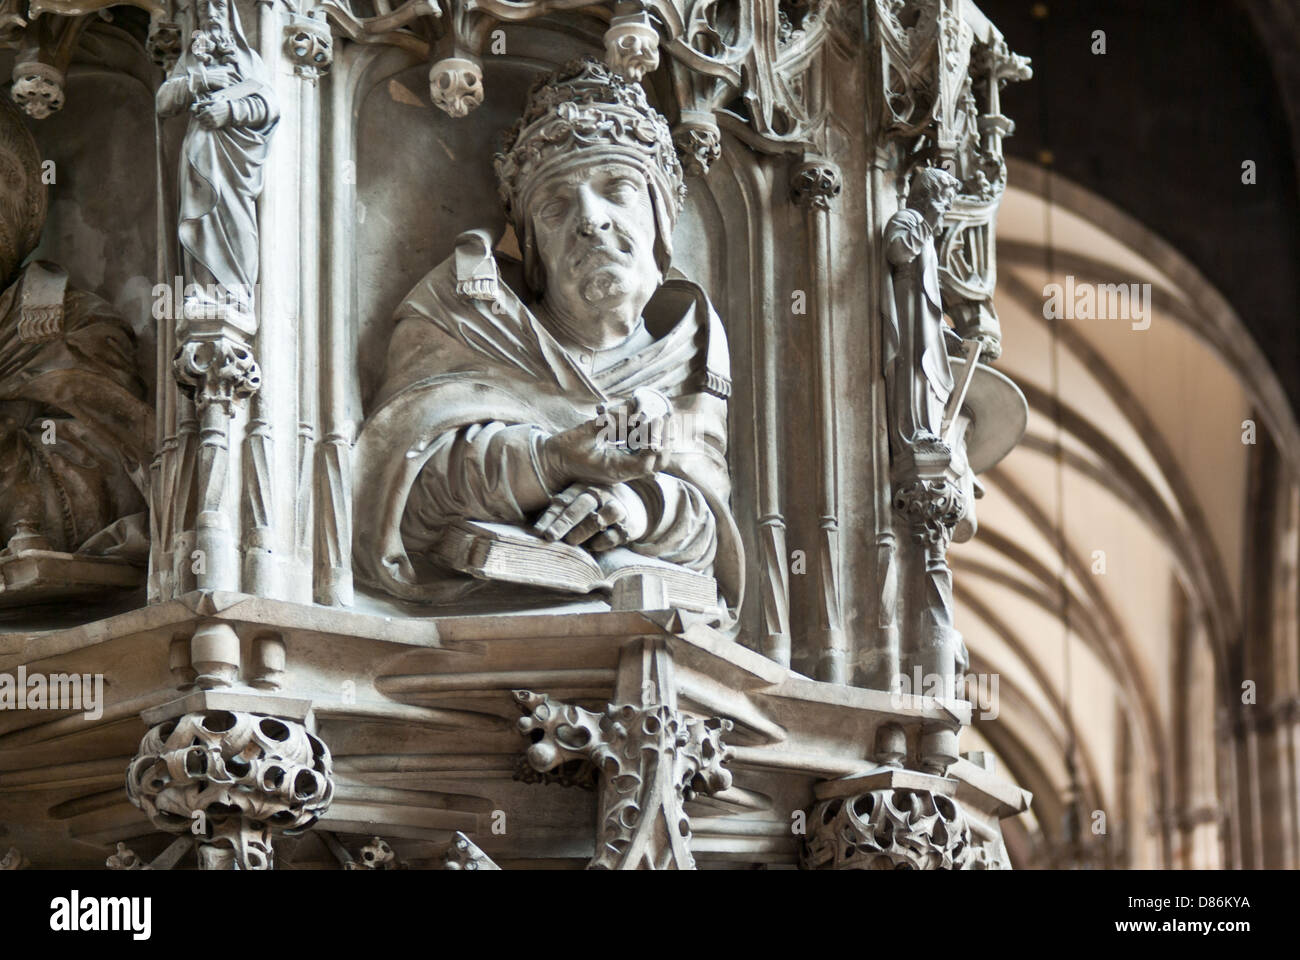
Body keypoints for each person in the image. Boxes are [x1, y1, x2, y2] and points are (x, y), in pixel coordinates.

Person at [353, 59, 743, 613]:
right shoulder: (462, 319)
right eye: (557, 206)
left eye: (618, 188)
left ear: (660, 220)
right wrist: (553, 460)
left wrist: (638, 507)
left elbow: (713, 531)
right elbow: (394, 498)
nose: (591, 220)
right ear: (534, 250)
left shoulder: (689, 352)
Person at [156, 0, 278, 327]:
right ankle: (201, 291)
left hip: (237, 163)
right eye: (204, 8)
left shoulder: (248, 59)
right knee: (199, 220)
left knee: (237, 222)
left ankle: (236, 293)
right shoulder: (191, 61)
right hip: (199, 158)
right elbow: (164, 102)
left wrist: (231, 112)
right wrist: (200, 80)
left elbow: (268, 104)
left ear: (232, 14)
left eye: (219, 6)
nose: (211, 13)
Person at [882, 166, 963, 457]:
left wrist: (942, 329)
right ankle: (912, 432)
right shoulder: (908, 219)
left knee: (926, 374)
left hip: (922, 315)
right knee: (914, 368)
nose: (946, 210)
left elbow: (930, 289)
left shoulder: (925, 232)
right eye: (944, 202)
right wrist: (925, 224)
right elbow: (897, 252)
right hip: (907, 308)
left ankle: (924, 430)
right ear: (929, 197)